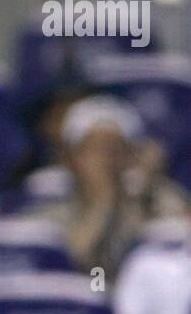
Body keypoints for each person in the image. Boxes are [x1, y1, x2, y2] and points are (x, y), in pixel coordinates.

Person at [33, 95, 191, 277]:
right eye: (96, 149)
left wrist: (153, 186)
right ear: (73, 158)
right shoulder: (51, 212)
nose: (107, 159)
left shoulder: (152, 198)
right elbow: (66, 266)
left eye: (116, 148)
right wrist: (102, 203)